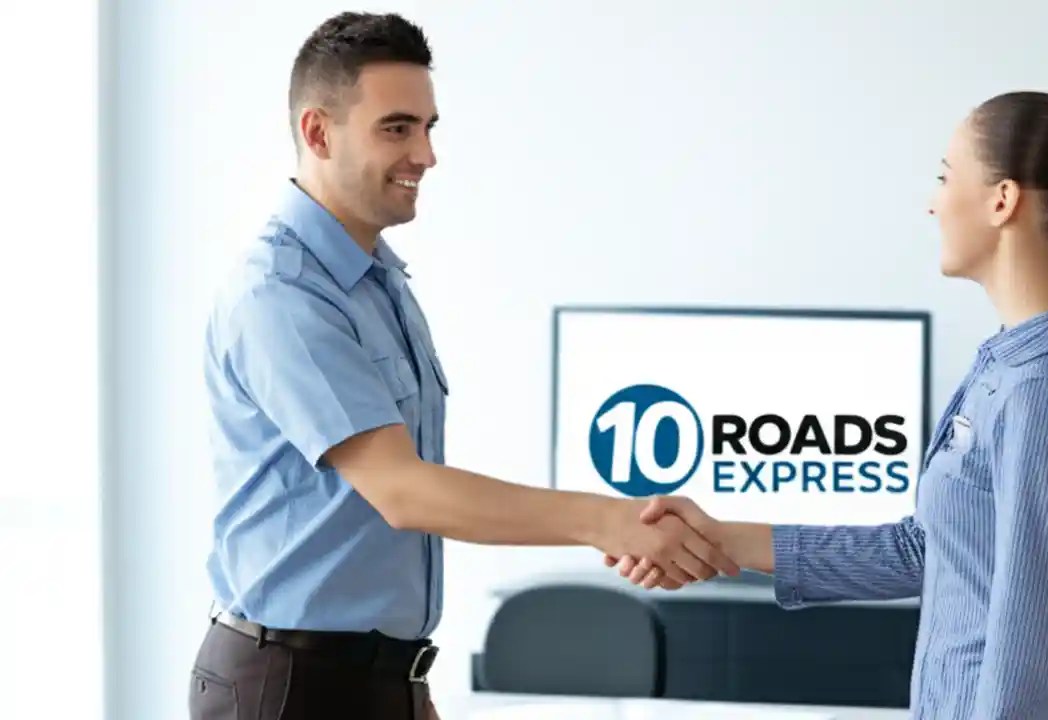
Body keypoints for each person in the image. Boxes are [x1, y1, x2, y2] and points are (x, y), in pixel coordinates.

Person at [189, 12, 737, 720]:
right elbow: (403, 492)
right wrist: (609, 521)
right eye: (397, 128)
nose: (425, 154)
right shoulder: (283, 294)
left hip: (376, 679)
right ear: (318, 132)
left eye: (428, 127)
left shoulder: (379, 281)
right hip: (291, 686)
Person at [607, 90, 1048, 719]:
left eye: (945, 176)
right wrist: (719, 540)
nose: (933, 201)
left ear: (1003, 201)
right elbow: (929, 549)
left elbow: (1032, 646)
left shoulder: (1045, 391)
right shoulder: (1012, 365)